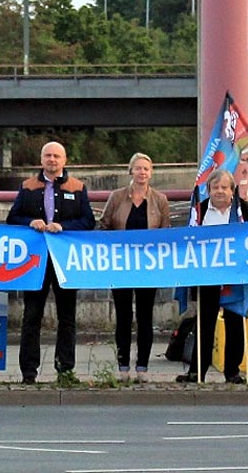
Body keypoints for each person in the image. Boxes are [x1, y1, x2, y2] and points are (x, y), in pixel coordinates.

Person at [6, 141, 94, 385]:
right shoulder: (27, 187)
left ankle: (65, 370)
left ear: (64, 160)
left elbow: (88, 221)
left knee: (67, 317)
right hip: (35, 261)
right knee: (31, 316)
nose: (52, 160)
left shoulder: (77, 187)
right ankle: (28, 372)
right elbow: (12, 217)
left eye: (56, 156)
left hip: (65, 261)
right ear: (41, 159)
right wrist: (29, 222)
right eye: (48, 155)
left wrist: (64, 227)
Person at [176, 169, 248, 384]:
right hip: (207, 275)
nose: (220, 191)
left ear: (232, 190)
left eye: (224, 187)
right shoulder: (200, 211)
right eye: (215, 188)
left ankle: (233, 371)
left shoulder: (245, 211)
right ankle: (197, 372)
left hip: (235, 275)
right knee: (205, 322)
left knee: (234, 321)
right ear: (208, 190)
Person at [99, 153, 171, 382]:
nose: (142, 173)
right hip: (121, 267)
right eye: (138, 168)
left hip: (148, 268)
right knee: (123, 316)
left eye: (146, 169)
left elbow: (167, 234)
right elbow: (103, 227)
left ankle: (142, 367)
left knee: (145, 317)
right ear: (131, 171)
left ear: (151, 173)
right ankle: (122, 366)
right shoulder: (117, 197)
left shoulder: (160, 200)